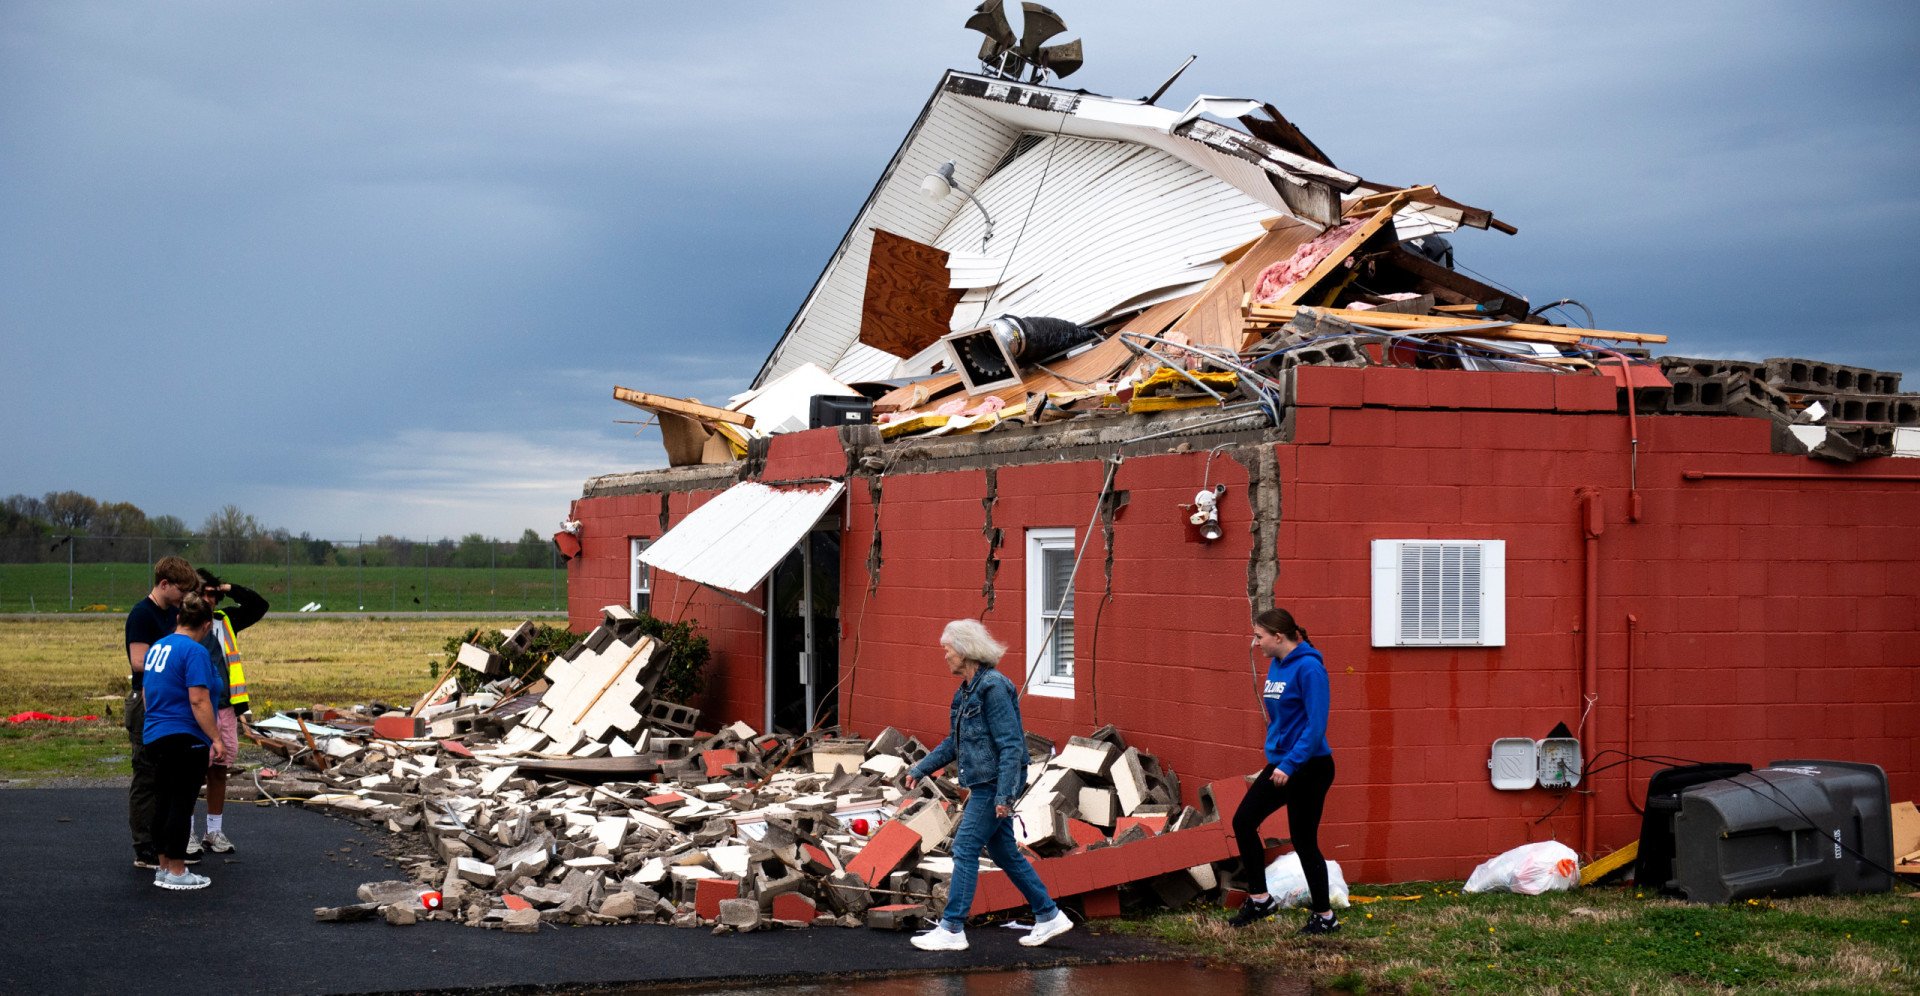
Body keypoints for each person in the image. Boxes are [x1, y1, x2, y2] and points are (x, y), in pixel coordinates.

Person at [903, 619, 1073, 952]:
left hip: (994, 784)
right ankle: (1049, 915)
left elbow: (1011, 745)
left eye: (947, 649)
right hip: (987, 783)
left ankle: (952, 929)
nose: (945, 655)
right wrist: (921, 769)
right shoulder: (965, 691)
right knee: (1003, 852)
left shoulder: (993, 687)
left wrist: (1004, 796)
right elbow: (953, 744)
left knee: (964, 848)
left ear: (965, 651)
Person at [1229, 607, 1339, 933]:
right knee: (1243, 821)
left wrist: (1290, 763)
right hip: (1282, 764)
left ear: (1278, 636)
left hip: (1309, 766)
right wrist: (1279, 757)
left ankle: (1325, 917)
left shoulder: (1310, 669)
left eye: (1259, 637)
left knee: (1304, 841)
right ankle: (1260, 899)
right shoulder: (1277, 665)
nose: (1255, 643)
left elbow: (1316, 726)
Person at [141, 593, 228, 890]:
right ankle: (178, 871)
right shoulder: (195, 651)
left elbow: (147, 692)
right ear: (206, 625)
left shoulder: (157, 647)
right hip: (185, 736)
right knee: (181, 801)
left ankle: (164, 866)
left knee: (163, 801)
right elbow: (198, 699)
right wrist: (216, 738)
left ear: (178, 618)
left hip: (155, 733)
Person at [186, 569, 269, 857]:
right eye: (202, 593)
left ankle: (214, 831)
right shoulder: (181, 623)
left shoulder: (225, 621)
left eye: (212, 594)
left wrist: (227, 587)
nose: (208, 599)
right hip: (193, 708)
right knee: (191, 773)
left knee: (219, 770)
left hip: (225, 708)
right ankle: (186, 833)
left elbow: (259, 605)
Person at [124, 555, 199, 869]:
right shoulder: (142, 614)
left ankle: (167, 846)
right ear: (164, 583)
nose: (184, 596)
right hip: (146, 700)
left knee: (167, 778)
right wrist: (176, 661)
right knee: (147, 776)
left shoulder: (173, 613)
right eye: (181, 589)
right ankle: (144, 847)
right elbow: (138, 660)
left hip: (168, 702)